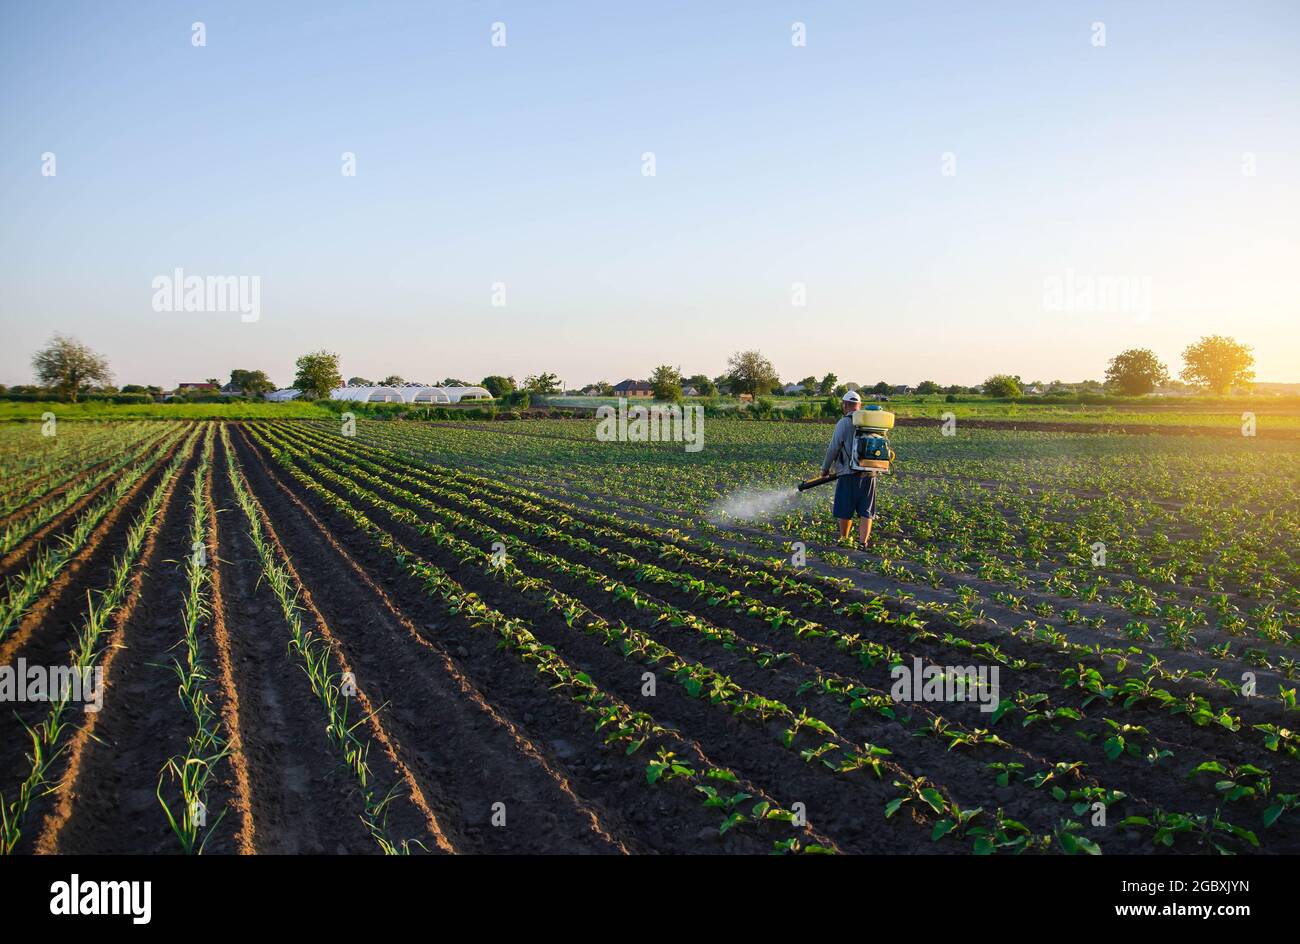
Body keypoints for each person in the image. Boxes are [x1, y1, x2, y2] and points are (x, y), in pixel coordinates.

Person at [820, 390, 876, 548]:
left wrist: (825, 469)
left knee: (845, 508)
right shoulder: (871, 421)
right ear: (859, 405)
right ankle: (863, 543)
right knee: (866, 510)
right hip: (870, 473)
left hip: (849, 472)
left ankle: (844, 540)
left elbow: (833, 448)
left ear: (844, 405)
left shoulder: (844, 422)